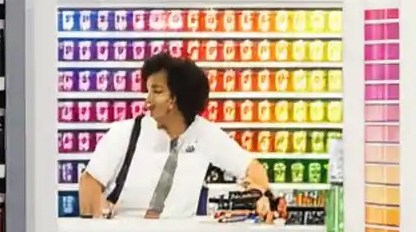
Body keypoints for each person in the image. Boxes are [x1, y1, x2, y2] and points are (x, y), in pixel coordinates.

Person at [78, 53, 274, 220]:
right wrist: (97, 230)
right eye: (148, 91)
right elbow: (90, 181)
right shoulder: (124, 133)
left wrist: (259, 195)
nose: (147, 101)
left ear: (175, 98)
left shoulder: (205, 134)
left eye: (156, 92)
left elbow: (252, 168)